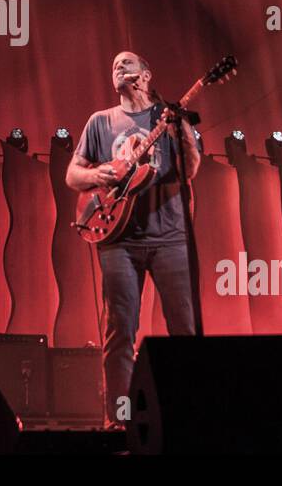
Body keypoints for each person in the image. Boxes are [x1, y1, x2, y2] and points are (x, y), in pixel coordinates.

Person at [66, 51, 201, 427]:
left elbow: (190, 170)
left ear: (146, 74)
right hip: (118, 239)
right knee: (120, 330)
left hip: (171, 236)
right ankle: (120, 421)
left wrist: (184, 128)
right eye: (113, 65)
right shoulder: (100, 122)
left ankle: (187, 415)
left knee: (184, 329)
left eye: (126, 63)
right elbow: (72, 176)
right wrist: (102, 174)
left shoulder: (168, 119)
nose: (118, 67)